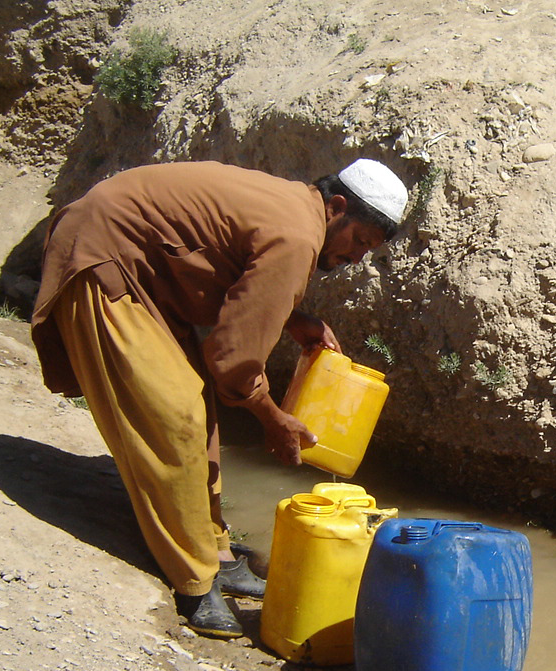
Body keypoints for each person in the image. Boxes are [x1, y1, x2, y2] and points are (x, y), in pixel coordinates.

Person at [28, 158, 409, 639]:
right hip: (106, 256)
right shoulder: (297, 236)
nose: (356, 257)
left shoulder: (296, 211)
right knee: (176, 414)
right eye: (358, 242)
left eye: (367, 251)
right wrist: (272, 417)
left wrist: (294, 319)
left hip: (148, 268)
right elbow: (233, 358)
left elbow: (230, 267)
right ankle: (193, 580)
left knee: (198, 405)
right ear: (337, 207)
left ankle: (217, 551)